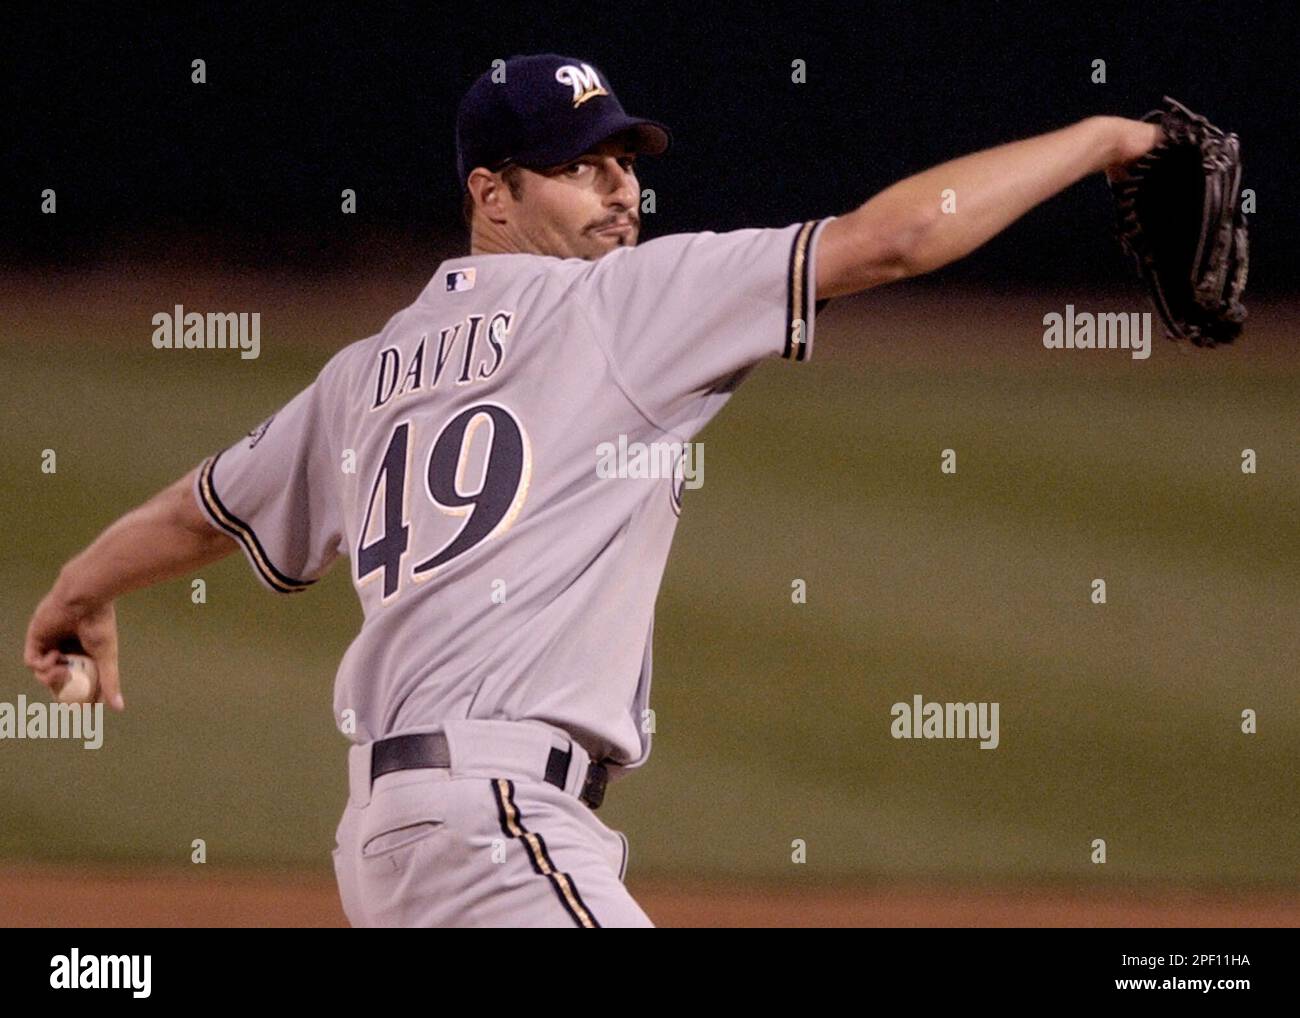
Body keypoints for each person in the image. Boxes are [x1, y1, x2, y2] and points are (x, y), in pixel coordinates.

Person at [23, 53, 1161, 927]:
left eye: (625, 163)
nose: (621, 192)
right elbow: (898, 237)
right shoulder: (620, 306)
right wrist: (1102, 136)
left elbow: (201, 511)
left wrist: (78, 589)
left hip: (386, 843)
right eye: (580, 166)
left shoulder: (365, 371)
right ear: (493, 194)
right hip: (497, 831)